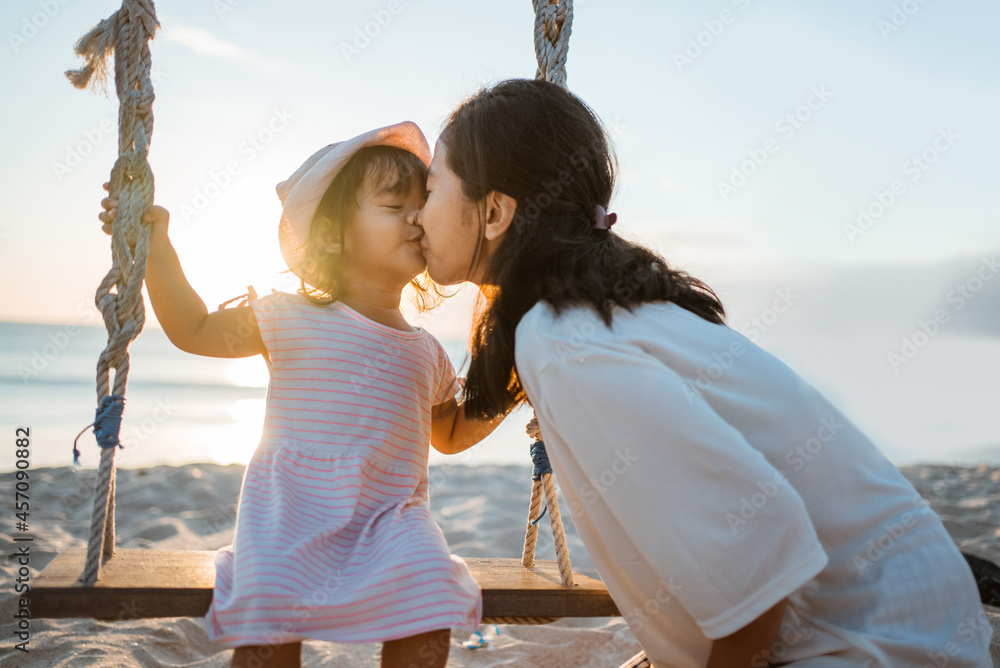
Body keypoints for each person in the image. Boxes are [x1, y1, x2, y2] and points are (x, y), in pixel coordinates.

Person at [414, 78, 994, 667]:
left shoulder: (562, 338)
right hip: (917, 624)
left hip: (879, 650)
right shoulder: (609, 305)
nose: (417, 212)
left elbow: (763, 552)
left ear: (493, 212)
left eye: (432, 187)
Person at [97, 121, 510, 668]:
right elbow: (193, 329)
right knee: (270, 606)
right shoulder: (289, 318)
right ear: (334, 235)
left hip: (391, 519)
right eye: (394, 206)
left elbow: (452, 433)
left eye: (423, 204)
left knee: (432, 586)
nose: (417, 218)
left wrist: (510, 388)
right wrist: (156, 249)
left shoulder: (426, 351)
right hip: (291, 512)